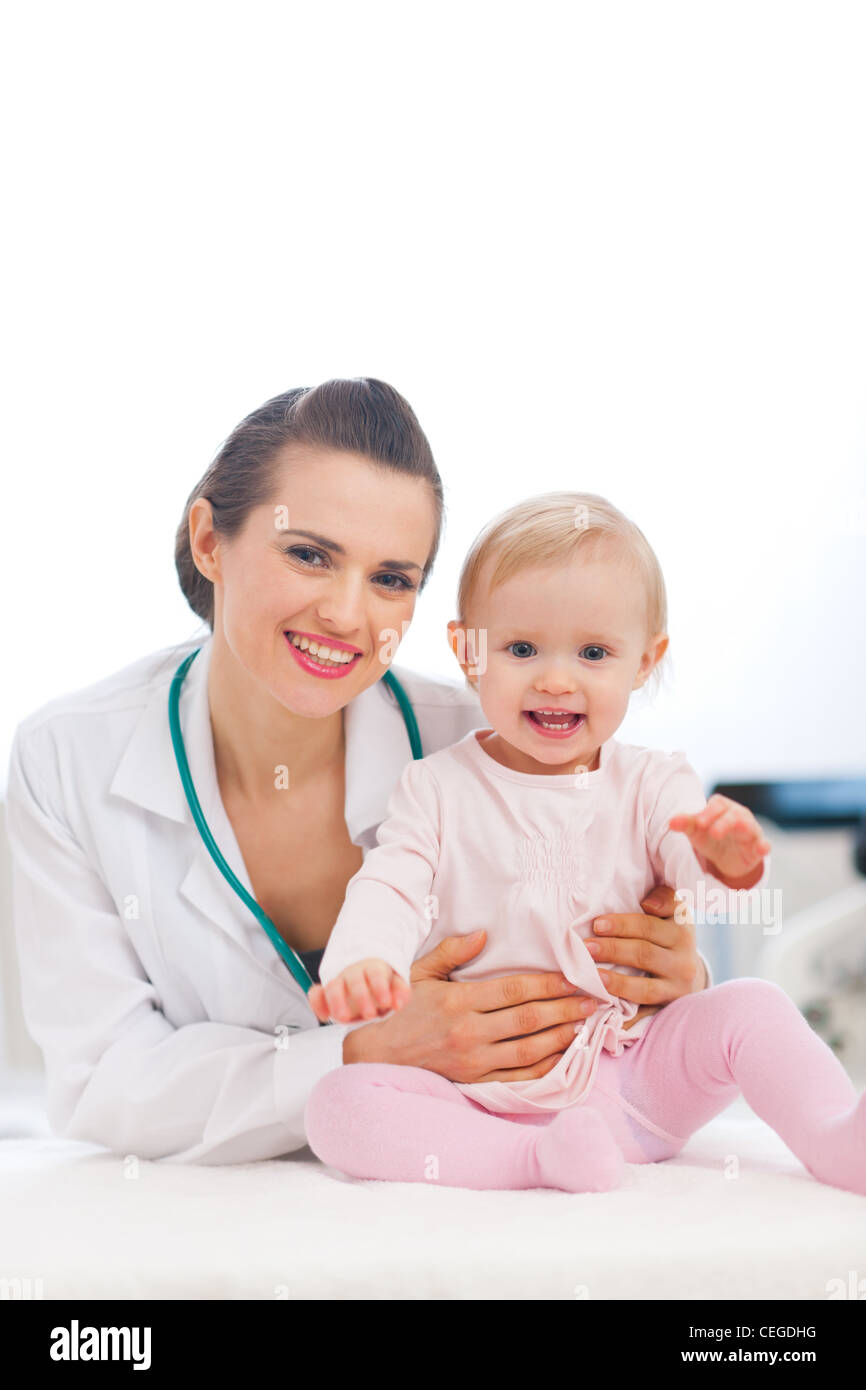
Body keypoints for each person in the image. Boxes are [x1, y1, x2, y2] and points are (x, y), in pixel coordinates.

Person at [6, 382, 710, 1165]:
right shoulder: (65, 758)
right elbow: (104, 1082)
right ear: (210, 541)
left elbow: (635, 915)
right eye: (308, 554)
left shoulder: (495, 739)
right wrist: (360, 1051)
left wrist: (671, 975)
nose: (347, 615)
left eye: (391, 579)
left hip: (472, 1205)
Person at [304, 492, 866, 1198]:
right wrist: (365, 964)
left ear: (644, 660)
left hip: (635, 1075)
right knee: (338, 1106)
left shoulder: (655, 781)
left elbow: (692, 875)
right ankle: (535, 1162)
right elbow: (388, 885)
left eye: (594, 652)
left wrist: (727, 859)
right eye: (521, 648)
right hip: (487, 1093)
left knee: (751, 1004)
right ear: (467, 651)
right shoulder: (435, 788)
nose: (556, 678)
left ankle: (834, 1135)